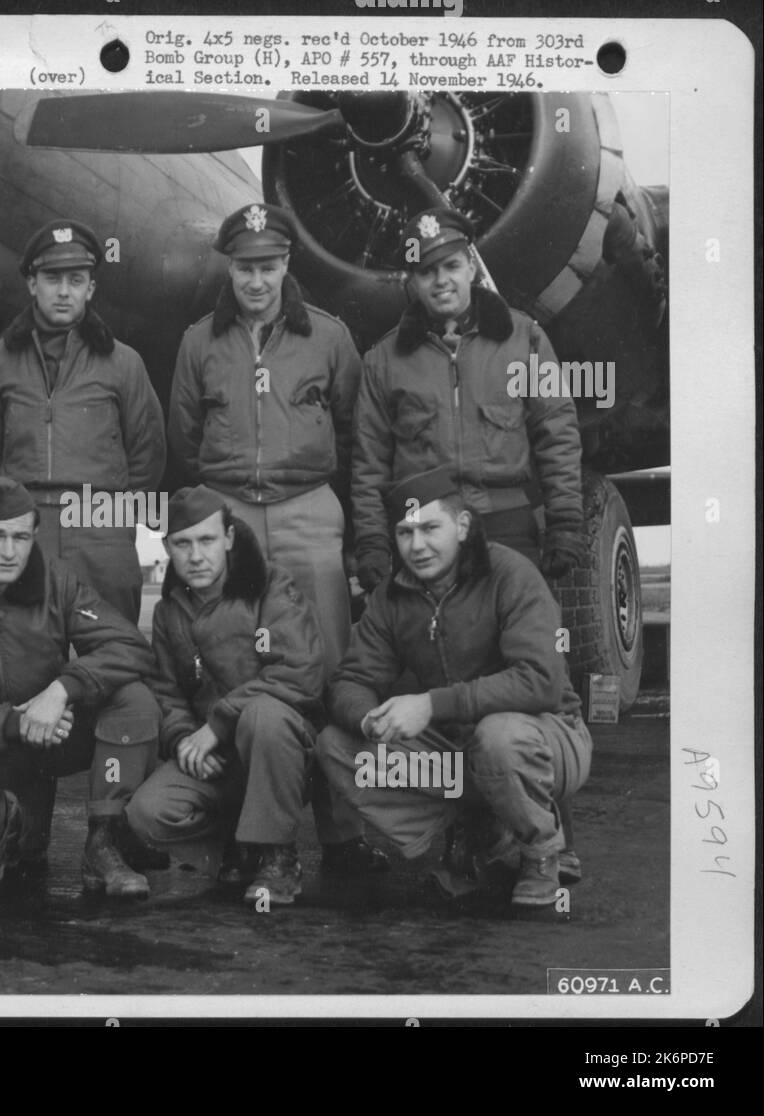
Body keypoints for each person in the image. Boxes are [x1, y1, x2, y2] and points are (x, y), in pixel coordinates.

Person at [167, 202, 379, 875]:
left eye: (268, 266)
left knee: (330, 670)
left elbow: (351, 431)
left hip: (308, 506)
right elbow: (184, 434)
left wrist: (328, 509)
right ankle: (249, 838)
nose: (255, 281)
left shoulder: (330, 336)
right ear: (228, 267)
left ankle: (343, 837)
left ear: (287, 264)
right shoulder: (200, 340)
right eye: (243, 268)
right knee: (233, 667)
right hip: (230, 510)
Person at [316, 468, 592, 907]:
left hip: (549, 740)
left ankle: (540, 851)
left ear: (462, 526)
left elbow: (540, 682)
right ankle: (481, 827)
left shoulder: (510, 573)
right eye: (405, 533)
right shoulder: (392, 596)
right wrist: (367, 717)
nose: (417, 545)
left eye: (430, 528)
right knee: (338, 746)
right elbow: (352, 679)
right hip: (458, 759)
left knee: (499, 736)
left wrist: (430, 704)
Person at [0, 475, 162, 897]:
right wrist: (12, 723)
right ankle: (1, 836)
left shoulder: (56, 582)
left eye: (20, 537)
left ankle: (103, 842)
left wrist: (62, 690)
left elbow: (128, 646)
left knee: (135, 702)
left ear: (35, 536)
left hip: (55, 738)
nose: (8, 551)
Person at [127, 487, 366, 906]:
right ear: (167, 547)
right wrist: (184, 738)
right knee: (148, 812)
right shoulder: (168, 612)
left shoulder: (271, 586)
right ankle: (241, 851)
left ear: (229, 539)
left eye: (206, 541)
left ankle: (279, 858)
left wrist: (217, 724)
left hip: (288, 751)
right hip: (219, 759)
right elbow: (166, 692)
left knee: (264, 716)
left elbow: (298, 672)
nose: (196, 556)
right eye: (182, 544)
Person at [352, 207, 584, 596]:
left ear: (471, 267)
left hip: (507, 524)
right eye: (427, 272)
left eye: (451, 266)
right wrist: (373, 541)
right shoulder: (383, 360)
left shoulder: (525, 339)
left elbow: (557, 432)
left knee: (524, 642)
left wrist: (564, 521)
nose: (441, 281)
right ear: (413, 281)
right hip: (425, 529)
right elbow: (369, 463)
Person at [0, 218, 166, 626]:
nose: (63, 291)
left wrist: (114, 521)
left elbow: (148, 452)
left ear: (90, 288)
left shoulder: (125, 363)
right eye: (52, 278)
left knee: (114, 653)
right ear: (32, 284)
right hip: (27, 527)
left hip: (100, 527)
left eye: (76, 280)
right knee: (25, 656)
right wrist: (16, 516)